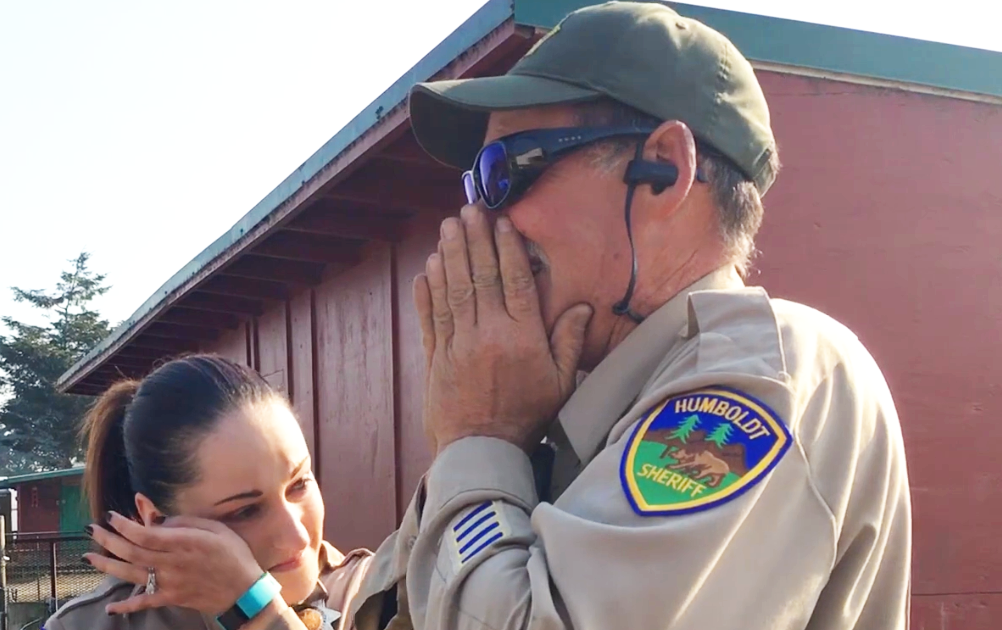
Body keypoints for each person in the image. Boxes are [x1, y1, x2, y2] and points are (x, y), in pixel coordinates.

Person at [349, 3, 911, 630]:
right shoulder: (577, 408)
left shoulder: (765, 372)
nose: (478, 219)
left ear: (663, 172)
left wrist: (477, 437)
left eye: (505, 172)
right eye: (474, 185)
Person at [44, 354, 372, 630]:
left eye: (299, 484)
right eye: (246, 511)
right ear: (156, 520)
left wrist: (256, 608)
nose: (297, 537)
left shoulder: (376, 594)